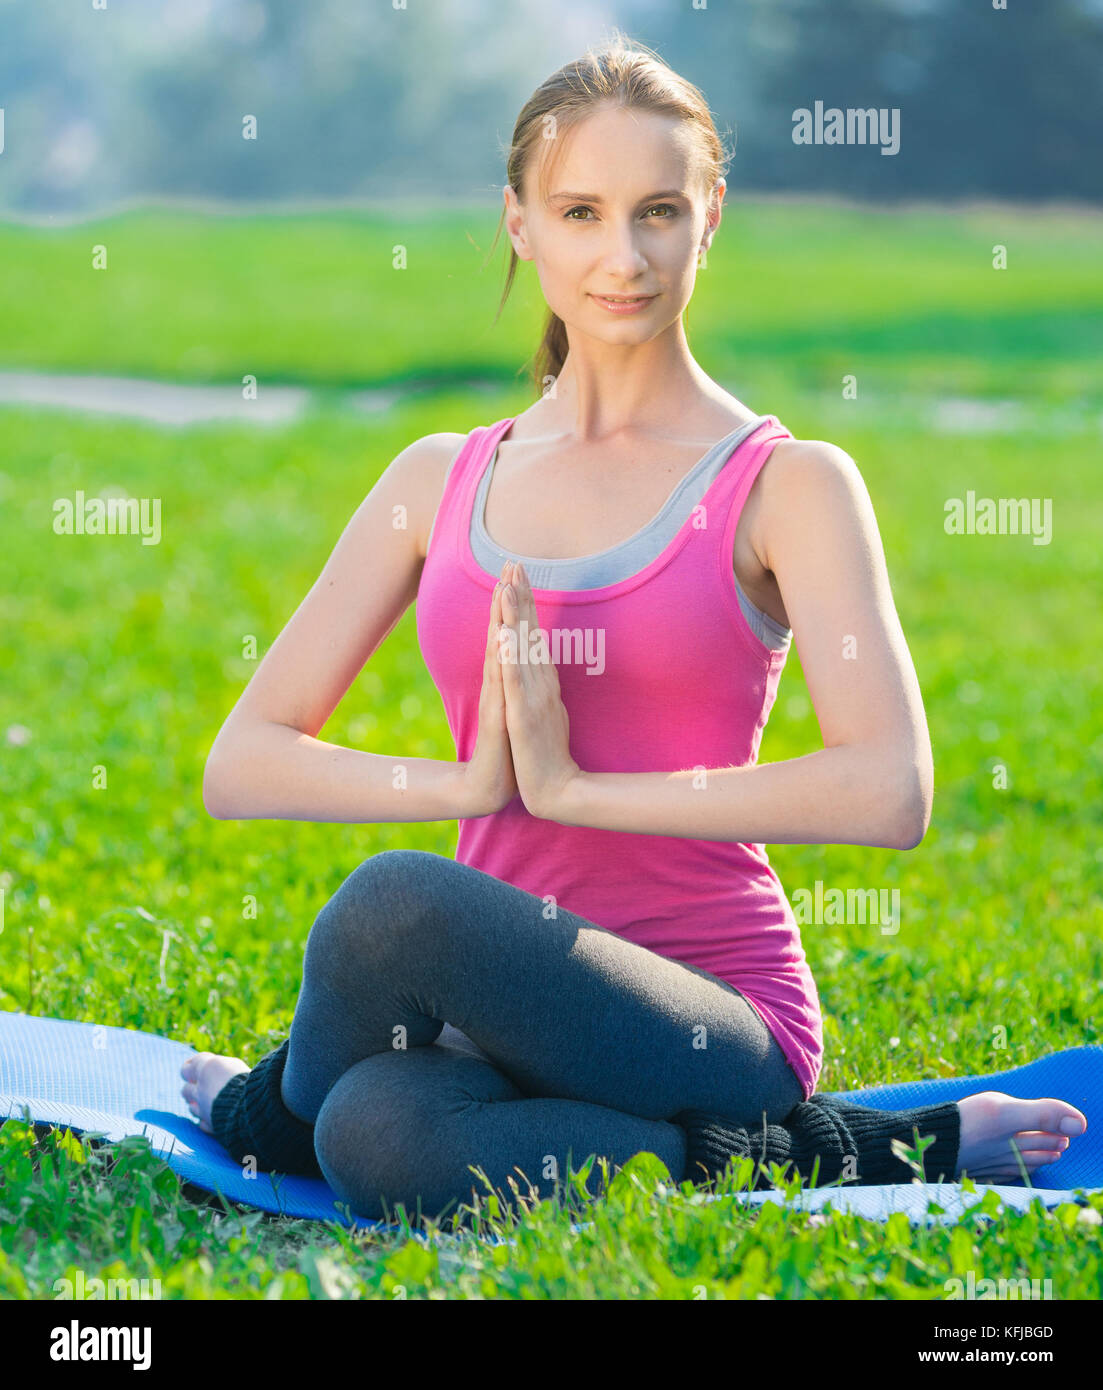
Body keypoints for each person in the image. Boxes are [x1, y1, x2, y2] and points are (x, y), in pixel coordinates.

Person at [182, 34, 1085, 1226]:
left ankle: (263, 1118)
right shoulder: (436, 479)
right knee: (378, 1131)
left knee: (396, 904)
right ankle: (815, 1152)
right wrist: (473, 778)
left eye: (657, 210)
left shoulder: (786, 485)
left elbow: (889, 789)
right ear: (517, 223)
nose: (622, 256)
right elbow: (241, 763)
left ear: (709, 214)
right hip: (509, 1006)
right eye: (579, 212)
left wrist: (573, 790)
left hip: (709, 1016)